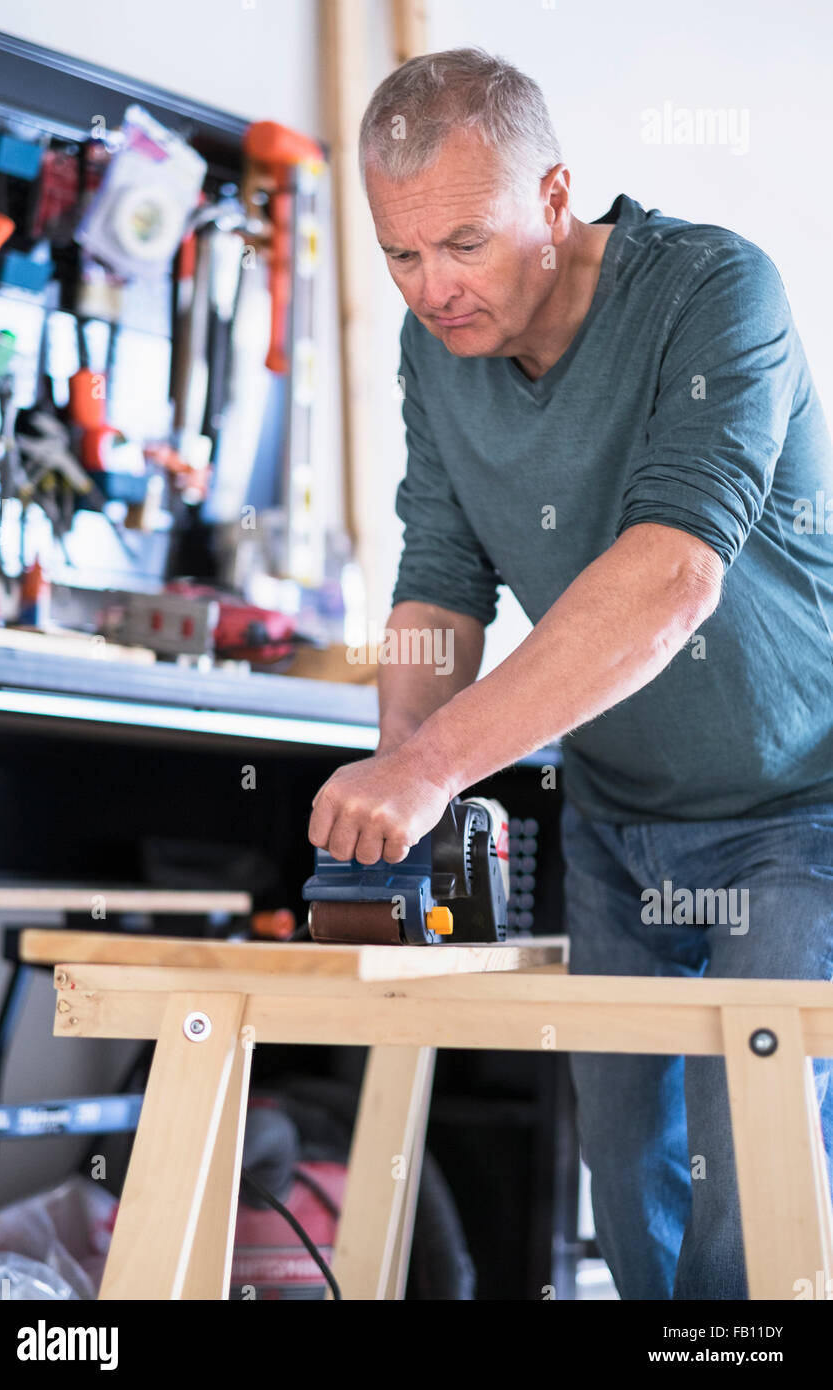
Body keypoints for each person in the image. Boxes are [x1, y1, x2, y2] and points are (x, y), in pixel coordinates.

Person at [307, 46, 833, 1300]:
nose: (431, 288)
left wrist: (433, 764)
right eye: (399, 253)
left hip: (793, 810)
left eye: (463, 245)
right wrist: (398, 785)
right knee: (626, 1201)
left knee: (744, 1208)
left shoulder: (713, 292)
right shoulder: (437, 349)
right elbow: (437, 579)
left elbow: (670, 575)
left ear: (551, 200)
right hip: (614, 825)